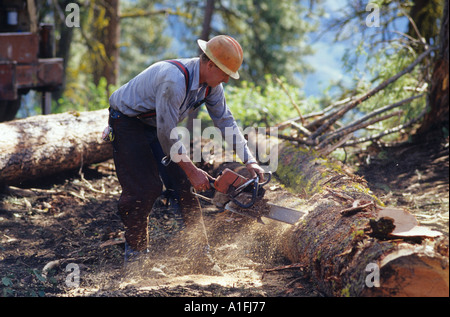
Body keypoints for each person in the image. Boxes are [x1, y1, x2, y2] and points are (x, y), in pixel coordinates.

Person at [107, 35, 265, 268]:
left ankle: (201, 255)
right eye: (224, 74)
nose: (226, 80)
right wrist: (192, 170)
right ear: (210, 64)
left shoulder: (212, 86)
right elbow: (167, 134)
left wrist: (250, 161)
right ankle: (136, 260)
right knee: (145, 188)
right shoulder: (173, 81)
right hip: (128, 122)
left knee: (184, 185)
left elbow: (225, 121)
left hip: (157, 126)